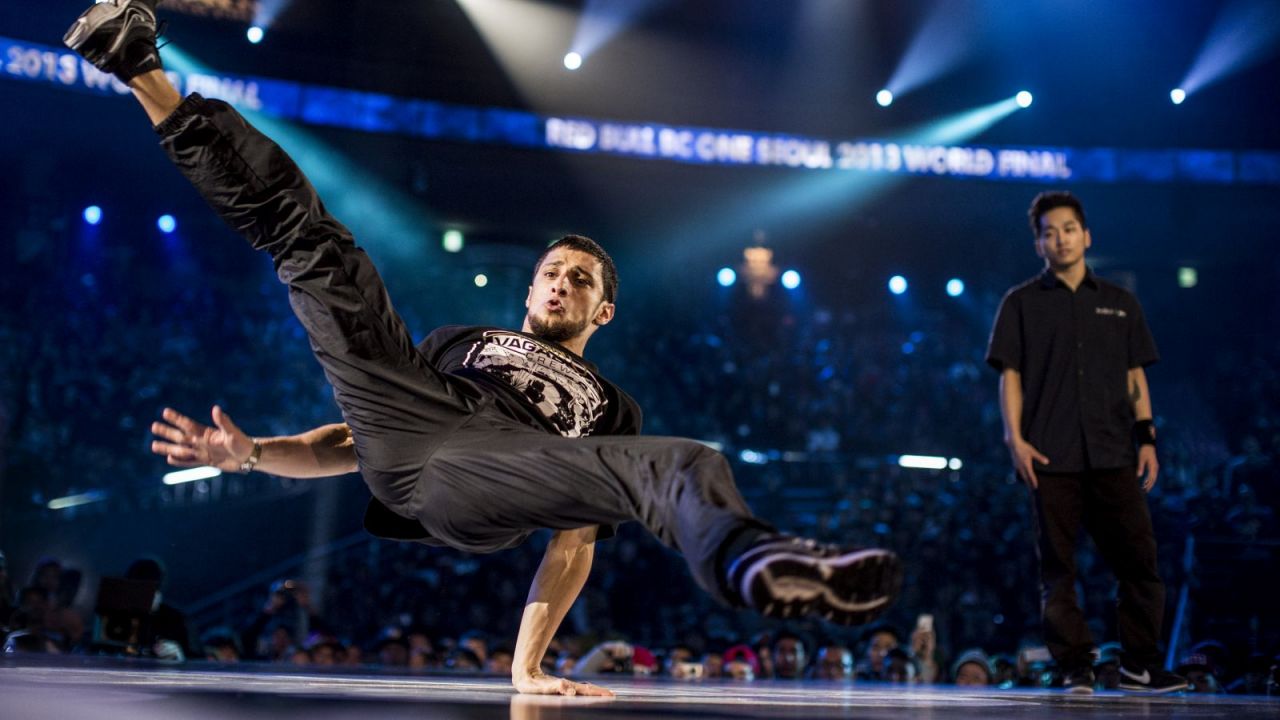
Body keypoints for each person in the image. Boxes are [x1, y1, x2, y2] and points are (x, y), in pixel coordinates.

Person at [64, 0, 902, 696]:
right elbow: (350, 443)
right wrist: (252, 454)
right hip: (416, 427)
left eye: (579, 278)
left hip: (496, 472)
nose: (559, 282)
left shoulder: (610, 406)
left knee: (681, 459)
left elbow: (571, 545)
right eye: (550, 271)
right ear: (529, 288)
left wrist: (525, 667)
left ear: (603, 311)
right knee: (322, 248)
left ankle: (754, 559)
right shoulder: (463, 339)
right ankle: (140, 68)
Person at [986, 190, 1186, 694]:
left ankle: (1141, 665)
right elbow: (1009, 374)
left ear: (1086, 235)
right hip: (1050, 454)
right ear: (1038, 244)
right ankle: (1075, 664)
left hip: (1115, 451)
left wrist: (1147, 439)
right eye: (1049, 232)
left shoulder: (1120, 302)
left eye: (1069, 229)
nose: (1061, 239)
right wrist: (1016, 441)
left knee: (1140, 563)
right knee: (1058, 570)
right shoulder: (1021, 303)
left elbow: (1134, 373)